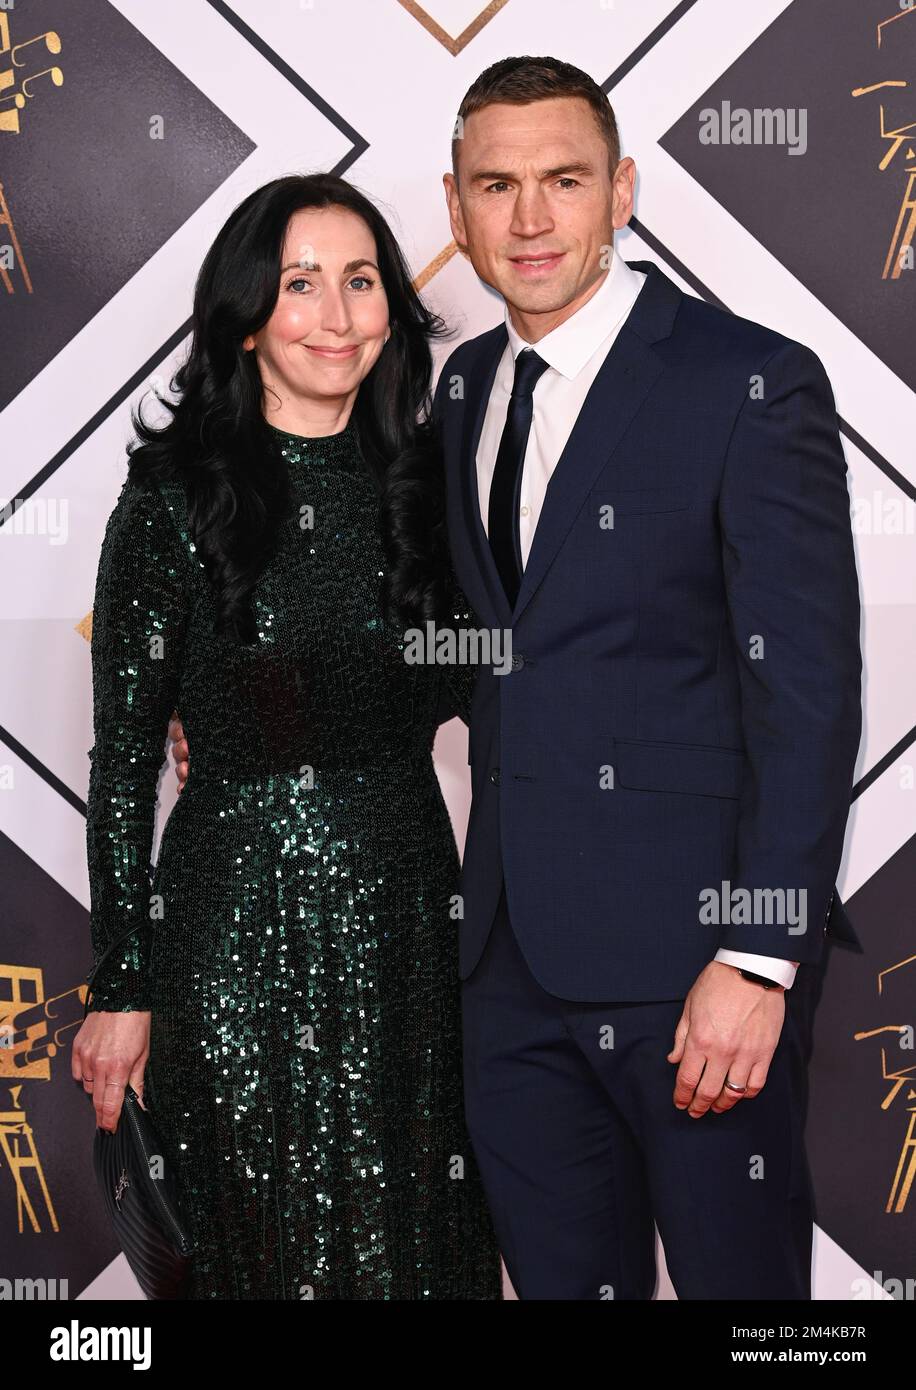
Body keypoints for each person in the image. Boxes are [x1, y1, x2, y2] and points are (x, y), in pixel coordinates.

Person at [432, 56, 862, 1299]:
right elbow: (483, 646)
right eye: (495, 185)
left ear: (621, 189)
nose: (528, 220)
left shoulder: (747, 380)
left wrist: (760, 958)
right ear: (452, 205)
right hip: (507, 967)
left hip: (695, 971)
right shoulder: (464, 390)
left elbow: (810, 693)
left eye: (562, 181)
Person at [73, 173, 503, 1301]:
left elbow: (493, 687)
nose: (337, 313)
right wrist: (123, 981)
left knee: (413, 1228)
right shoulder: (174, 496)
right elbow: (122, 758)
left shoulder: (430, 483)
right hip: (231, 922)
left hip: (411, 912)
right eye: (300, 283)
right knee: (256, 1228)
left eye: (360, 281)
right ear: (249, 313)